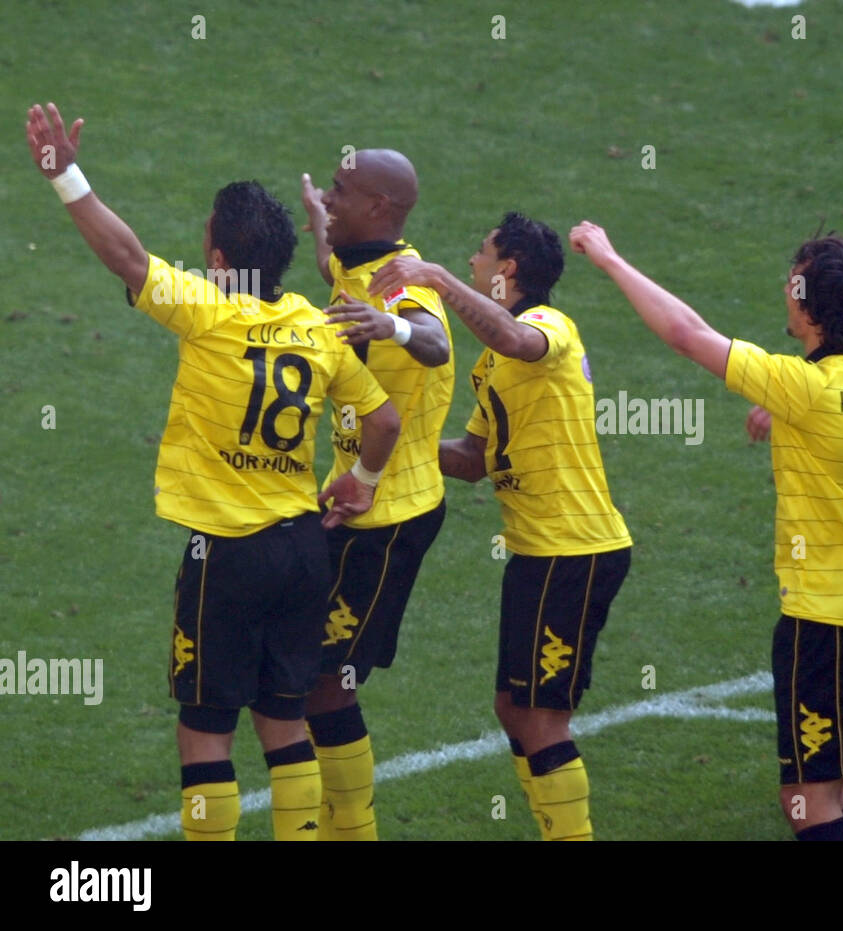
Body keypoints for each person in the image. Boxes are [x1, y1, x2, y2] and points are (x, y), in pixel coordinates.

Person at [26, 102, 401, 840]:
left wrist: (66, 174)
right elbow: (385, 420)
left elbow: (128, 258)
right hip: (302, 549)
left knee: (205, 730)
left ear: (221, 262)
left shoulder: (205, 309)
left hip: (226, 552)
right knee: (285, 721)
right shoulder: (318, 328)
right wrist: (361, 481)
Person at [569, 220, 843, 842]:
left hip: (826, 621)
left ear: (807, 305)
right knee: (829, 785)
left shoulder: (805, 386)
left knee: (808, 796)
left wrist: (610, 258)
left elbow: (687, 334)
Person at [368, 213, 631, 841]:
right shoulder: (493, 363)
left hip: (574, 550)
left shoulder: (548, 328)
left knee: (540, 717)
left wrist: (430, 277)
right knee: (514, 707)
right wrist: (406, 439)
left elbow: (517, 340)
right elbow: (474, 462)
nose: (470, 263)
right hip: (539, 552)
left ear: (508, 269)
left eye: (480, 254)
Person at [298, 150, 454, 841]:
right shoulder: (357, 264)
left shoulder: (399, 287)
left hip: (388, 519)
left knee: (329, 684)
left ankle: (353, 829)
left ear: (380, 208)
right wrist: (317, 225)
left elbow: (435, 342)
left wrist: (390, 326)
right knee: (306, 677)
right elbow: (335, 270)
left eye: (341, 190)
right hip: (350, 508)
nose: (331, 196)